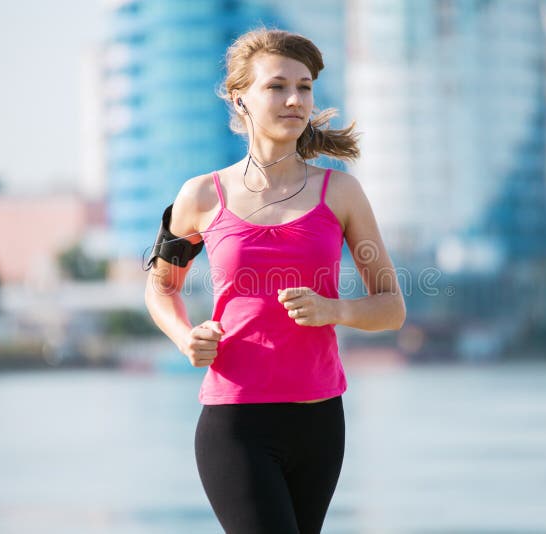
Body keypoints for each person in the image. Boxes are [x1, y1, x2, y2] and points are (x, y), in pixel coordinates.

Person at [144, 28, 406, 534]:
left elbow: (391, 306)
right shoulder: (200, 196)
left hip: (320, 422)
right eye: (278, 86)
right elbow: (161, 287)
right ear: (241, 97)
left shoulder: (341, 193)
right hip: (236, 424)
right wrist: (185, 338)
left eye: (305, 87)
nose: (295, 99)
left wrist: (336, 310)